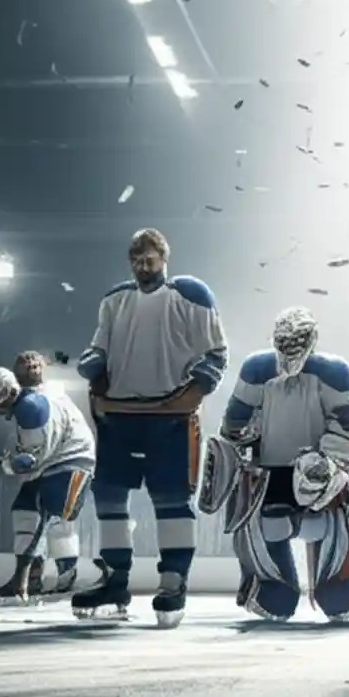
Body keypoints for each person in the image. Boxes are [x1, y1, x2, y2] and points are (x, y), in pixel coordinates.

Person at [71, 228, 228, 627]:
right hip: (120, 417)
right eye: (137, 260)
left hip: (169, 417)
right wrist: (92, 364)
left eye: (150, 259)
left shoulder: (190, 295)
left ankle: (173, 581)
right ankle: (114, 578)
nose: (143, 266)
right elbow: (99, 347)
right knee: (107, 498)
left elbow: (215, 352)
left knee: (172, 501)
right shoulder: (114, 300)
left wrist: (199, 386)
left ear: (164, 258)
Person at [201, 306, 349, 622]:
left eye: (298, 342)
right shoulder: (257, 369)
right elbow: (234, 424)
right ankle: (274, 592)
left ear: (311, 341)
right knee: (269, 538)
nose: (291, 351)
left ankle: (341, 591)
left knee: (329, 534)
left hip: (320, 472)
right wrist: (244, 437)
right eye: (285, 343)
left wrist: (326, 463)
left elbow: (345, 427)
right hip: (268, 473)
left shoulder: (337, 373)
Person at [0, 355, 95, 606]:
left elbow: (31, 460)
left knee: (48, 516)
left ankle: (34, 579)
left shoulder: (30, 409)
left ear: (7, 392)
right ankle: (36, 576)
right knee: (27, 511)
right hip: (63, 460)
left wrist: (4, 464)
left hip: (71, 462)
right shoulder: (35, 399)